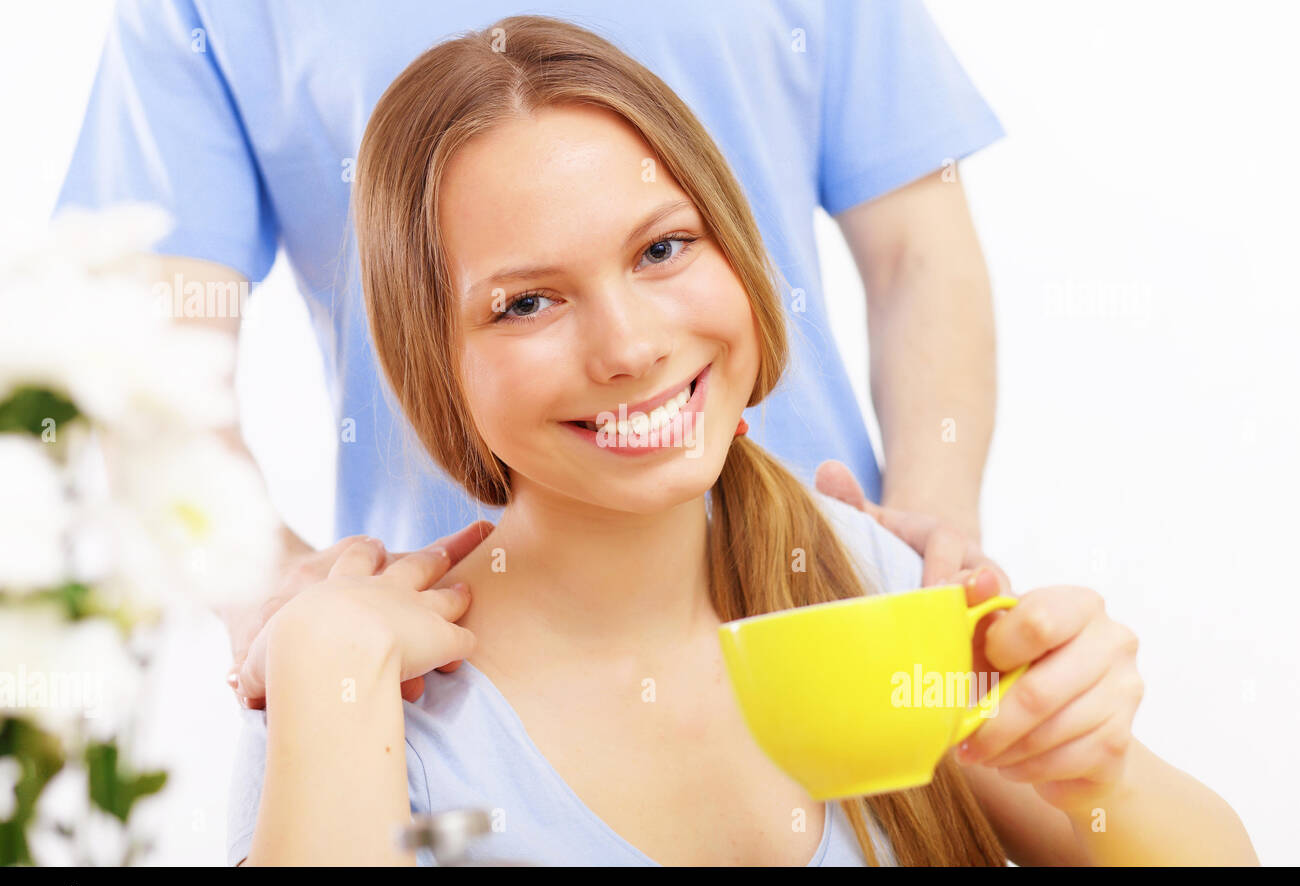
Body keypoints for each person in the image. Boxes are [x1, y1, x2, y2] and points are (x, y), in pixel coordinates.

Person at [229, 17, 1257, 866]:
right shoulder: (359, 693)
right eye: (527, 302)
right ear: (431, 361)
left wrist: (1102, 777)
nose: (628, 345)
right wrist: (321, 659)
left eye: (663, 247)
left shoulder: (876, 594)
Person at [56, 1, 1008, 700]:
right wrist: (266, 593)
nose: (629, 348)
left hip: (831, 627)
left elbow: (915, 254)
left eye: (664, 249)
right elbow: (141, 340)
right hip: (455, 671)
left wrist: (922, 557)